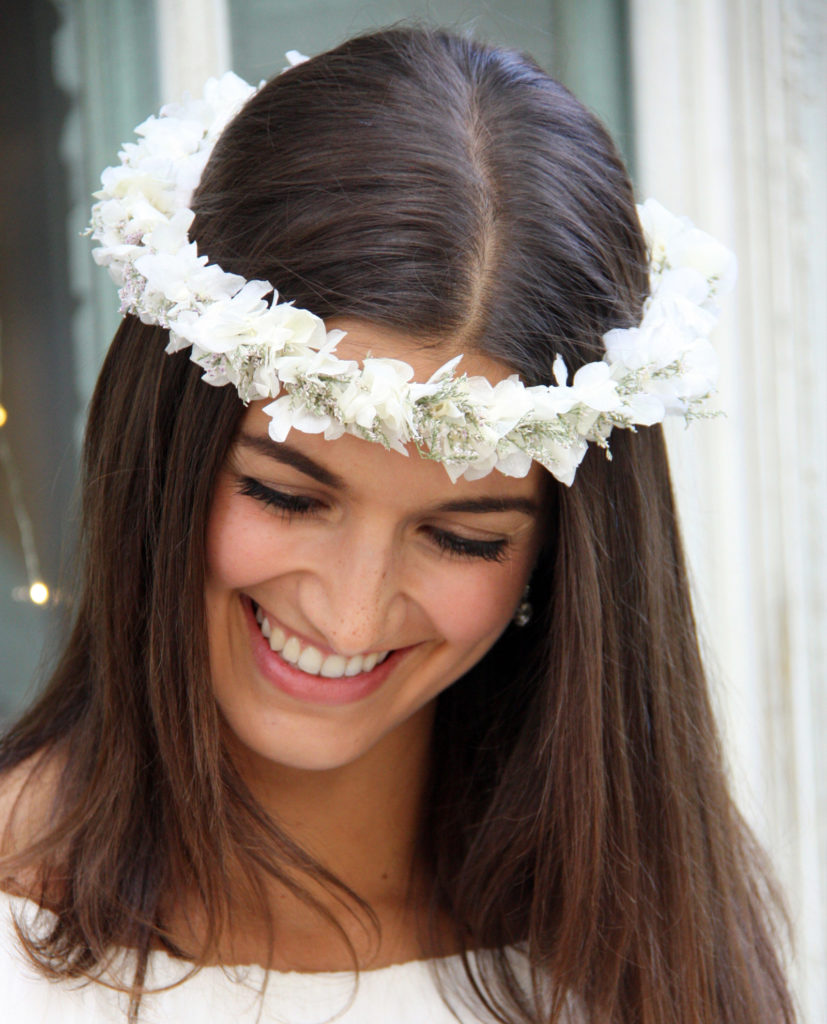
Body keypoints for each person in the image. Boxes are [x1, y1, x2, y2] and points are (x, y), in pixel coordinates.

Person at [0, 26, 795, 1024]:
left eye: (461, 537)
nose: (348, 612)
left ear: (558, 556)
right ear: (167, 454)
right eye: (287, 496)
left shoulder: (636, 947)